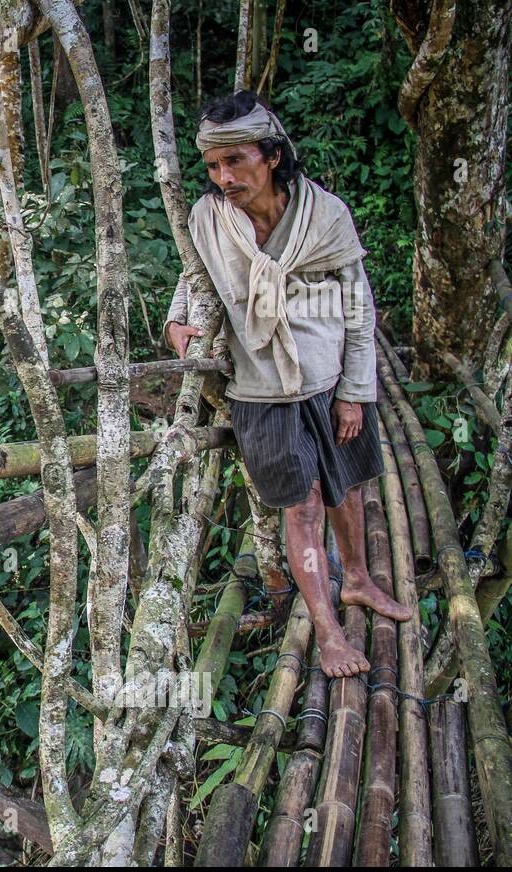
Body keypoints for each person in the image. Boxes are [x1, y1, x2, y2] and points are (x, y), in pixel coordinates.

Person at [164, 90, 412, 679]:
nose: (224, 177)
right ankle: (326, 630)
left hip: (329, 380)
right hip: (260, 390)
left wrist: (356, 390)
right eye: (214, 166)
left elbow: (358, 304)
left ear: (272, 155)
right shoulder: (209, 219)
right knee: (300, 510)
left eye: (237, 161)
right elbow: (195, 273)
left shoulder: (325, 216)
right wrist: (178, 318)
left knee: (347, 487)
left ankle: (357, 579)